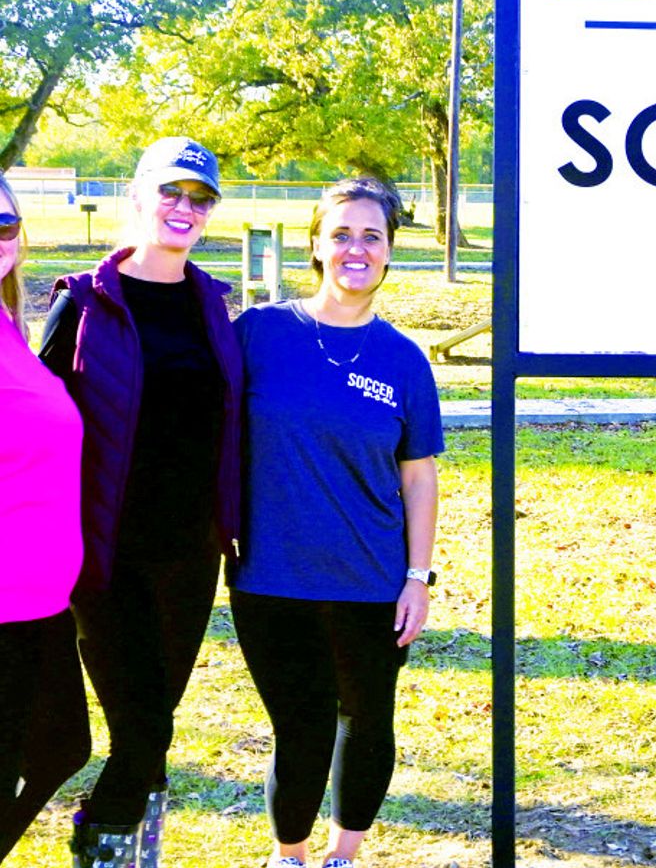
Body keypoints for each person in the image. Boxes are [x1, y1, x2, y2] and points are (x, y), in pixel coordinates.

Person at [228, 178, 443, 868]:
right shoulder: (259, 333)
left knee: (368, 721)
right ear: (317, 245)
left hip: (373, 581)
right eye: (342, 234)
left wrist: (417, 578)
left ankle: (344, 854)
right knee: (301, 725)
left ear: (389, 251)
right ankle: (289, 856)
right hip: (271, 578)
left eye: (371, 236)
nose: (357, 248)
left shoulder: (404, 359)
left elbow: (419, 476)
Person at [40, 138, 242, 868]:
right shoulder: (83, 302)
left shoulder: (213, 305)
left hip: (190, 556)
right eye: (171, 192)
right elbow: (37, 420)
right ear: (137, 194)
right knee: (144, 727)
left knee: (155, 722)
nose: (185, 208)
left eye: (200, 198)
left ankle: (136, 854)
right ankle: (99, 848)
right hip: (105, 555)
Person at [0, 175, 90, 859]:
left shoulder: (9, 324)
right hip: (5, 602)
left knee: (62, 747)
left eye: (4, 224)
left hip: (42, 598)